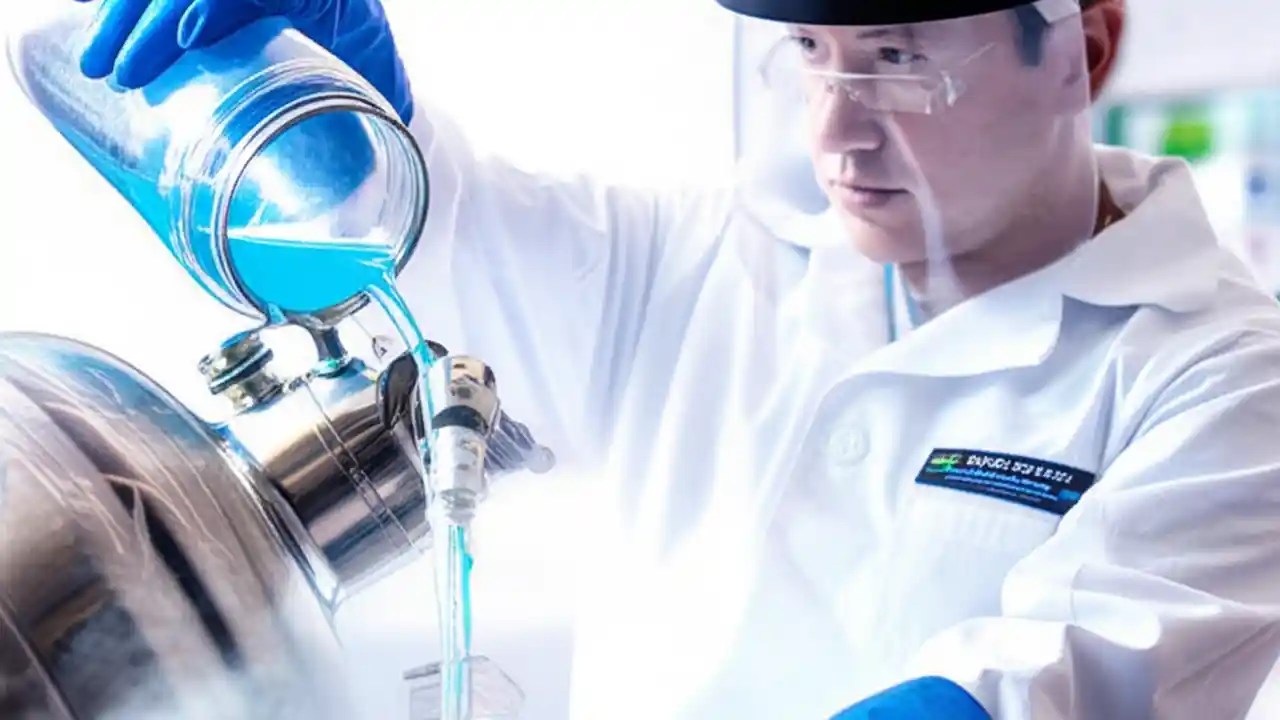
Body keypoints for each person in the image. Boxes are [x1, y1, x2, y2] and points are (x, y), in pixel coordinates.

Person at [73, 0, 1280, 718]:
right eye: (808, 51)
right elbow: (436, 256)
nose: (831, 128)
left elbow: (1043, 689)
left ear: (1086, 45)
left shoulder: (1221, 377)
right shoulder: (713, 251)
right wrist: (344, 122)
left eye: (895, 62)